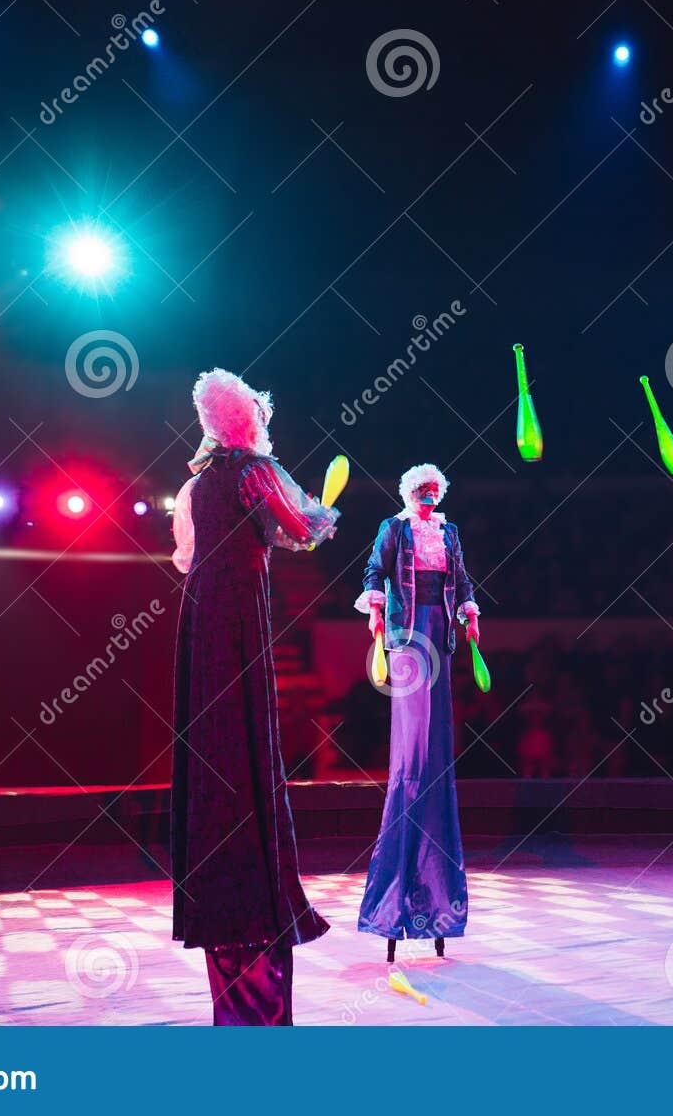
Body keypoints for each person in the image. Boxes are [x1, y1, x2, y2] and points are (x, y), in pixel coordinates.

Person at [170, 368, 339, 1025]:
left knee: (216, 766)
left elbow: (186, 558)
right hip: (237, 628)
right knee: (245, 763)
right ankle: (254, 894)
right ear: (249, 422)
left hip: (201, 625)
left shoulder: (194, 484)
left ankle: (224, 893)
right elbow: (302, 531)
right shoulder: (254, 474)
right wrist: (323, 512)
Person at [354, 463, 478, 962]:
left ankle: (436, 898)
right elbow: (373, 571)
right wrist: (378, 611)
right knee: (413, 748)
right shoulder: (394, 528)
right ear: (407, 494)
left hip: (441, 637)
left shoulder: (449, 531)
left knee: (436, 751)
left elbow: (463, 580)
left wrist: (469, 616)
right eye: (420, 491)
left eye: (433, 490)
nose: (427, 497)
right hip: (407, 638)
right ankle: (393, 898)